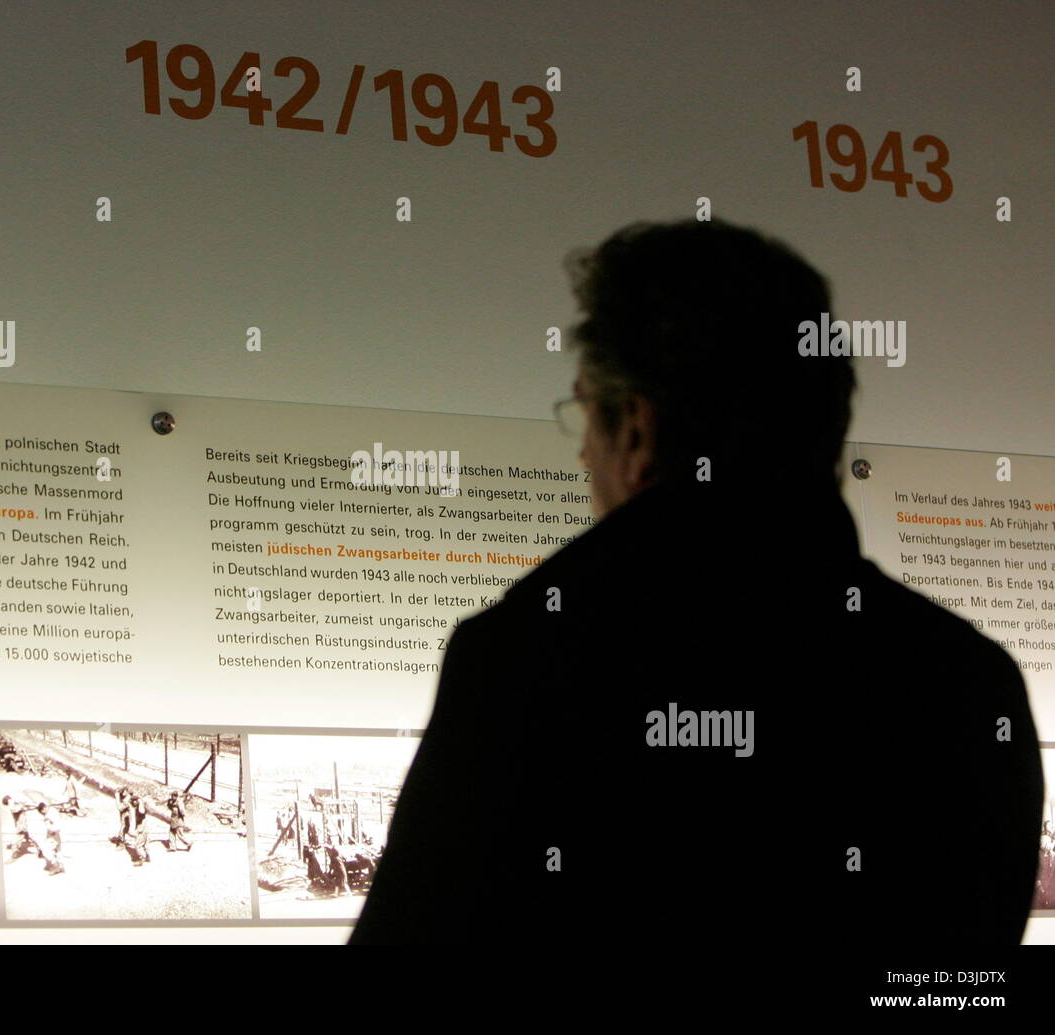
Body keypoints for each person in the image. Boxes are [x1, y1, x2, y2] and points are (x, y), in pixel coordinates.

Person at [351, 218, 1044, 952]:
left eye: (586, 411)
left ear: (638, 430)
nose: (584, 448)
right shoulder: (968, 681)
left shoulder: (533, 659)